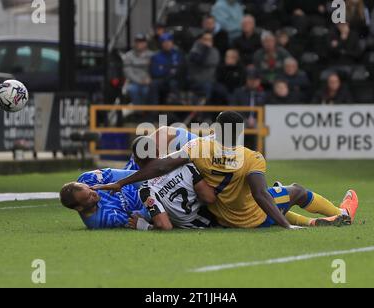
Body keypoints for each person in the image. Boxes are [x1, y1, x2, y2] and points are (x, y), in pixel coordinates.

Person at [93, 112, 359, 230]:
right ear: (240, 132)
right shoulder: (250, 157)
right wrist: (285, 226)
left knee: (275, 192)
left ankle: (313, 222)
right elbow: (260, 195)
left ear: (216, 129)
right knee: (295, 191)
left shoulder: (198, 147)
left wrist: (122, 182)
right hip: (247, 217)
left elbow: (161, 165)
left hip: (218, 217)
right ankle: (341, 213)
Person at [128, 136, 217, 230]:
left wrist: (144, 226)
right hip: (216, 220)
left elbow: (165, 226)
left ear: (136, 161)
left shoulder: (146, 190)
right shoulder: (182, 164)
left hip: (194, 228)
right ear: (158, 152)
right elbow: (210, 198)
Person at [59, 169, 147, 230]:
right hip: (149, 200)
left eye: (90, 188)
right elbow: (142, 215)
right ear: (79, 208)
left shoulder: (86, 179)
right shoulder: (102, 220)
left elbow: (125, 174)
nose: (94, 193)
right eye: (88, 197)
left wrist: (151, 179)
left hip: (139, 180)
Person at [150, 33, 185, 104]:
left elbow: (181, 70)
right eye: (164, 42)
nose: (167, 44)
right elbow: (155, 72)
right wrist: (169, 70)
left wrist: (164, 69)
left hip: (176, 82)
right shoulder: (156, 56)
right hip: (161, 82)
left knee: (174, 84)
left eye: (169, 41)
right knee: (154, 85)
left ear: (172, 43)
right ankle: (154, 111)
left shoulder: (178, 54)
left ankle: (176, 112)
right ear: (161, 44)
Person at [188, 32, 221, 100]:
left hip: (209, 81)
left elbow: (203, 62)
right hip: (195, 80)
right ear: (201, 40)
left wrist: (206, 49)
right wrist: (205, 49)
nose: (207, 42)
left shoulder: (215, 51)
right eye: (205, 39)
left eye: (209, 40)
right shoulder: (195, 51)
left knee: (210, 87)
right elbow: (197, 60)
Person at [123, 34, 154, 105]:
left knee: (148, 90)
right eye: (137, 42)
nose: (139, 44)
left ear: (146, 43)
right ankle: (139, 112)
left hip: (149, 82)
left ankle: (149, 112)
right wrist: (140, 81)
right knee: (132, 89)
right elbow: (128, 72)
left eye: (142, 42)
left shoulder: (152, 55)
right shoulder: (129, 55)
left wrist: (149, 80)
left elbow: (155, 70)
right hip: (134, 82)